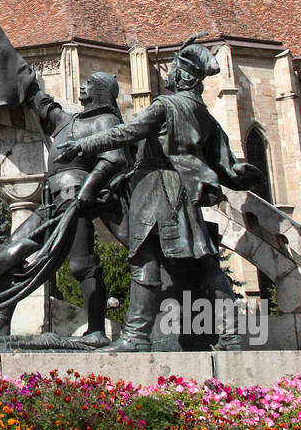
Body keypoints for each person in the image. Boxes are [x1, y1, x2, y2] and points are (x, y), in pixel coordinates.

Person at [57, 35, 261, 352]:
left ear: (180, 75)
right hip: (187, 191)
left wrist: (82, 145)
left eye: (173, 71)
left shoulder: (165, 106)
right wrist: (242, 177)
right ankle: (232, 335)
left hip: (156, 189)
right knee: (205, 263)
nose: (168, 75)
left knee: (144, 259)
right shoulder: (204, 116)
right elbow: (227, 165)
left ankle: (136, 337)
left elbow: (127, 131)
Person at [0, 73, 129, 343]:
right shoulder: (69, 121)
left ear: (102, 91)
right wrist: (23, 75)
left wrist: (88, 191)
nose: (83, 85)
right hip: (49, 202)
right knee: (12, 250)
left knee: (82, 265)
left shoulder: (105, 120)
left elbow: (113, 159)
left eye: (90, 82)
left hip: (76, 201)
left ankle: (96, 331)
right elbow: (46, 106)